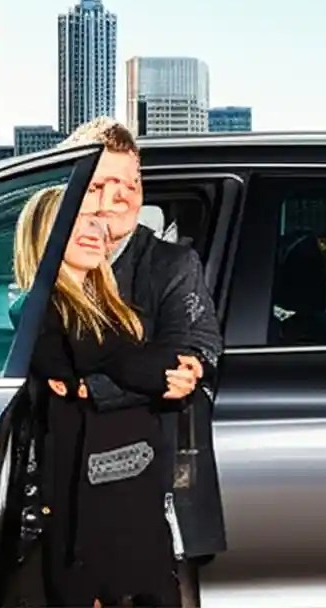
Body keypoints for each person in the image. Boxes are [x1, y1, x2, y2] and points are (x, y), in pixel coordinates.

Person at [60, 117, 226, 605]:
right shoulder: (55, 264)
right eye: (102, 184)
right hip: (71, 478)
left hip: (157, 471)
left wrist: (90, 387)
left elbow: (191, 350)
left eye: (132, 182)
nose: (122, 195)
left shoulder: (172, 264)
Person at [14, 185, 197, 606]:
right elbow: (111, 367)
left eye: (97, 220)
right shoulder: (40, 305)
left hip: (133, 486)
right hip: (87, 496)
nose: (95, 229)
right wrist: (156, 374)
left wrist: (136, 373)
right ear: (45, 231)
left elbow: (137, 365)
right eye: (79, 220)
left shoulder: (111, 307)